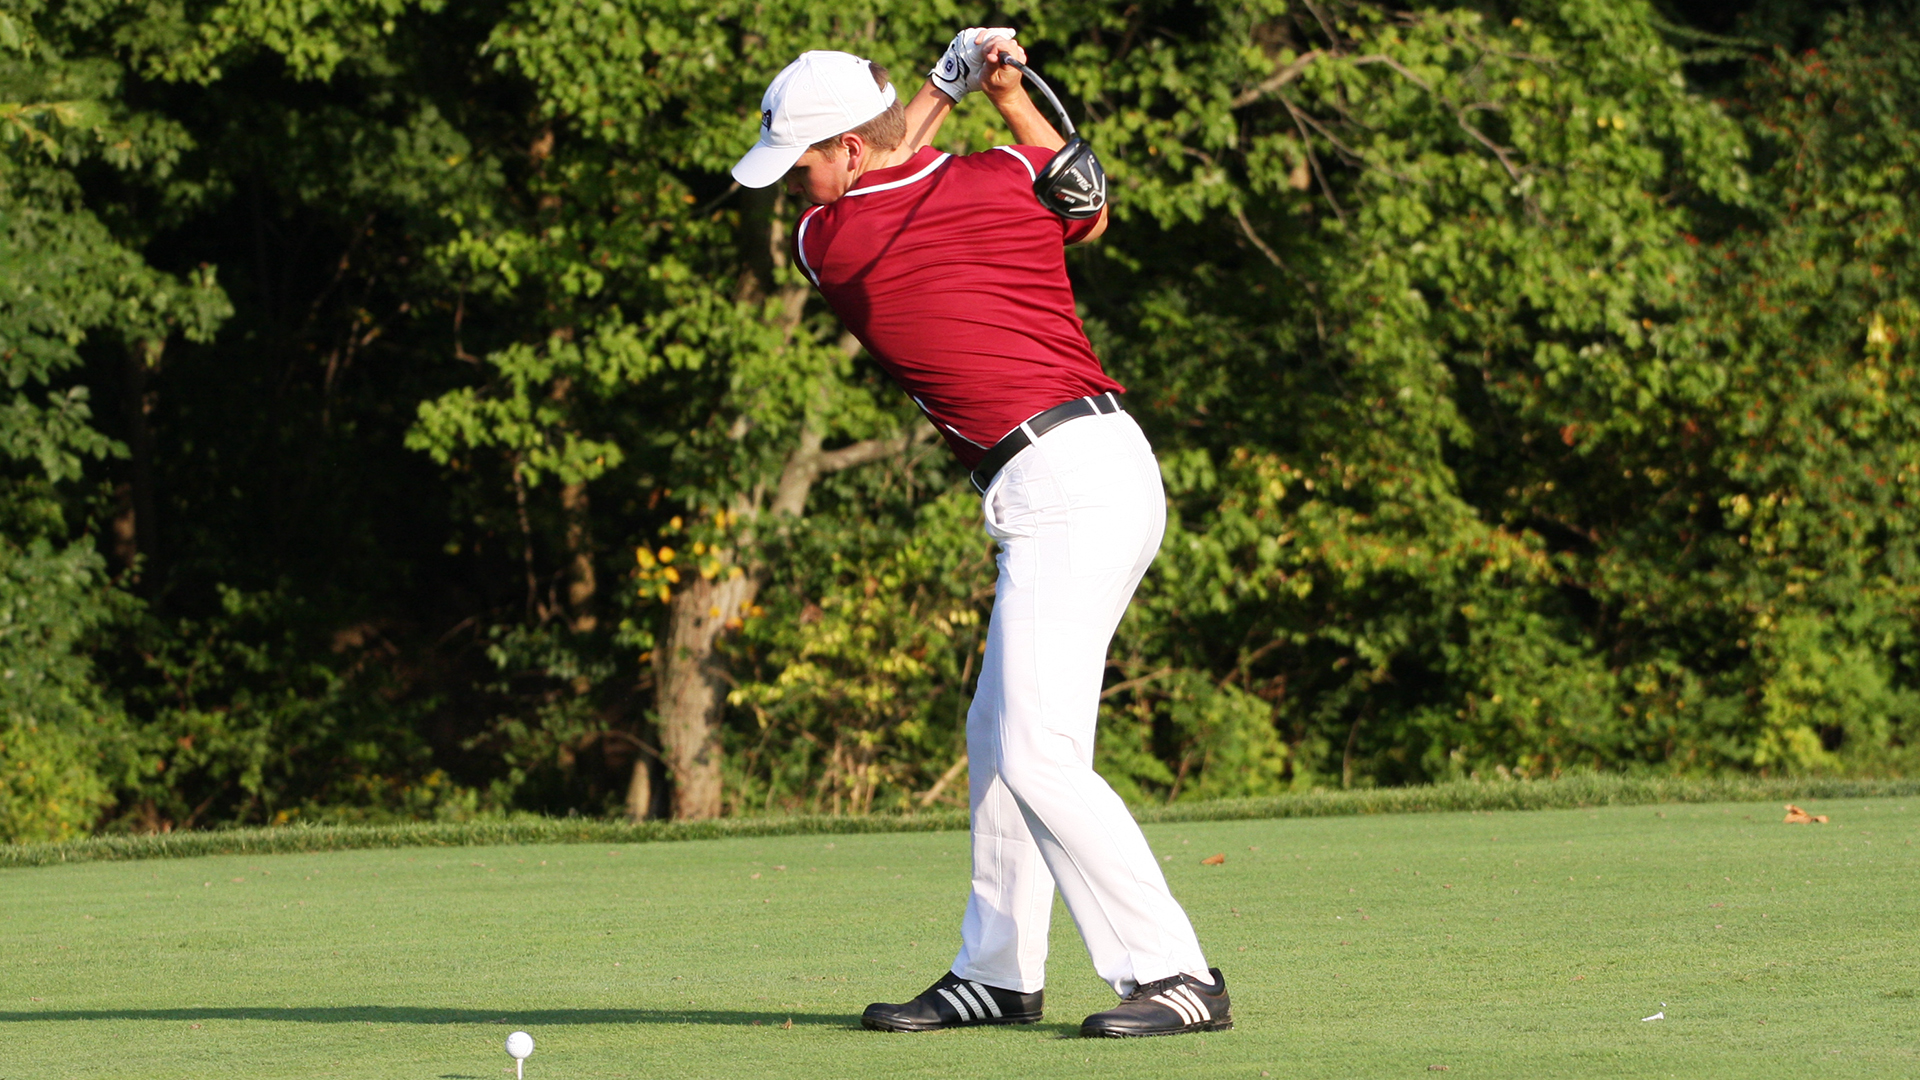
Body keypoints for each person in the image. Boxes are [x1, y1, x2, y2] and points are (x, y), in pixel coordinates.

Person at [729, 32, 1230, 1039]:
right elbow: (1083, 203)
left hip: (1069, 486)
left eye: (808, 164)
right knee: (997, 744)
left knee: (1040, 755)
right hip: (1090, 469)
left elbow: (900, 152)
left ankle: (1176, 972)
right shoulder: (1003, 179)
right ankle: (997, 973)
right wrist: (1003, 94)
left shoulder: (833, 242)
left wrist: (948, 85)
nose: (798, 190)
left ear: (850, 155)